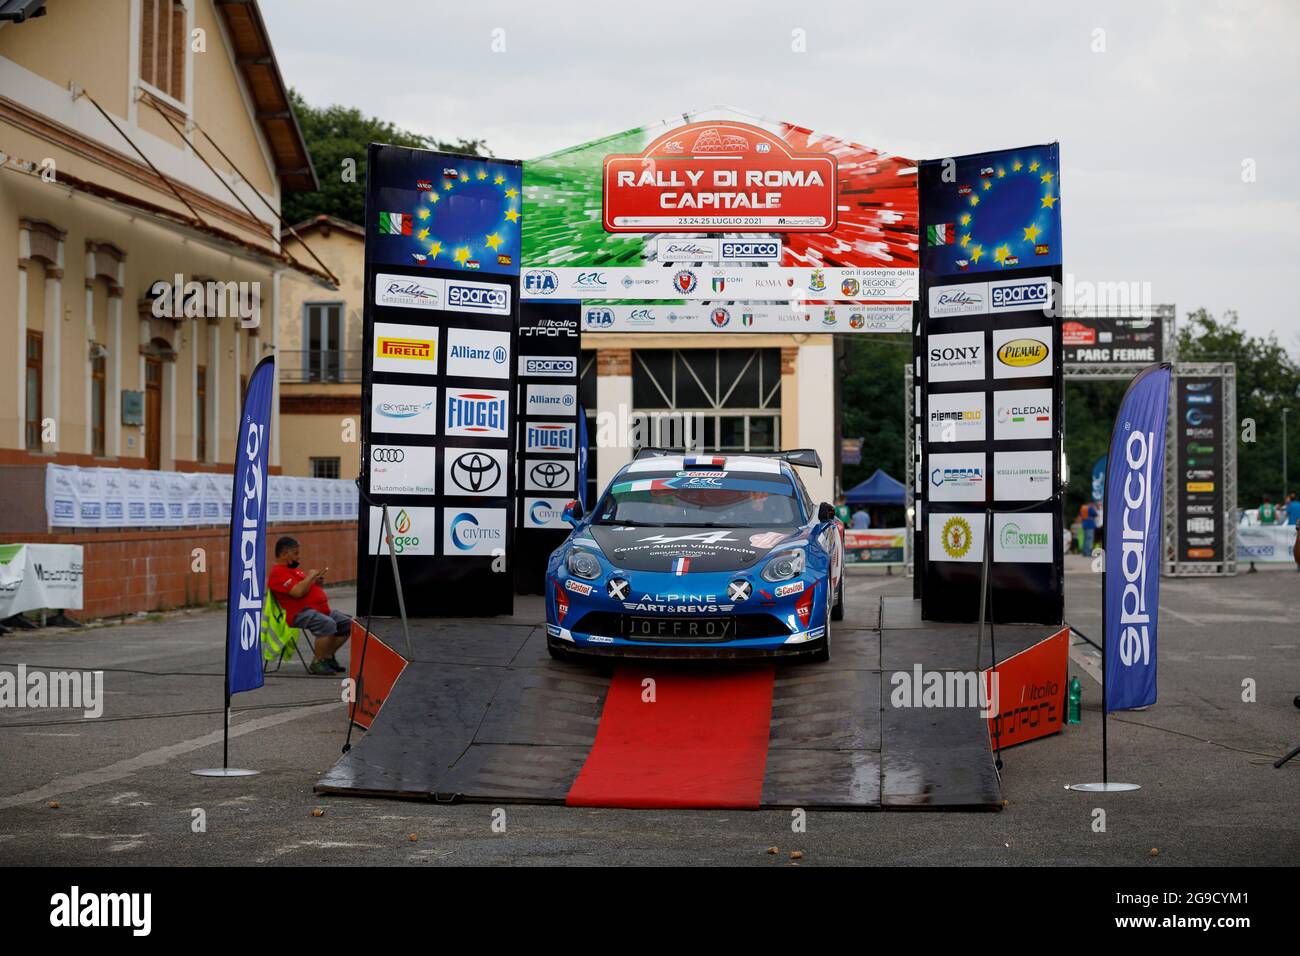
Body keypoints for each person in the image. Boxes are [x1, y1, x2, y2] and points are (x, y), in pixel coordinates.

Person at [267, 536, 351, 675]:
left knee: (348, 623)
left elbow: (305, 588)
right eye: (295, 553)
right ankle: (317, 662)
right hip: (297, 613)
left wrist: (315, 583)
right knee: (327, 623)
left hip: (318, 610)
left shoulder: (295, 571)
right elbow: (297, 592)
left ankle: (327, 657)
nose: (299, 557)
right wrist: (310, 577)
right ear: (283, 554)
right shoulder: (278, 573)